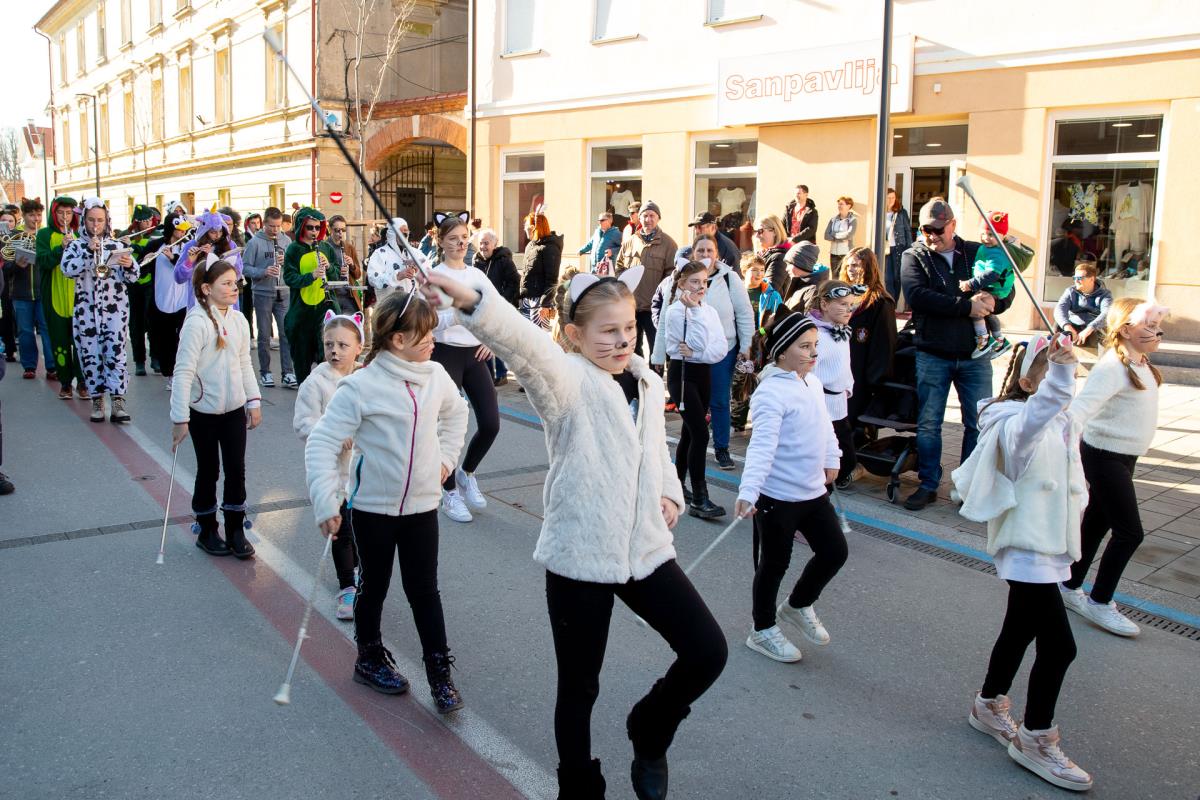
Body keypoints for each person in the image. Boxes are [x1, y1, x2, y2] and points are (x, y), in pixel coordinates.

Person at [424, 263, 727, 800]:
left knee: (707, 650)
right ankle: (580, 789)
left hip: (644, 551)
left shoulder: (645, 379)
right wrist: (473, 302)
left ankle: (650, 728)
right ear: (574, 335)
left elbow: (654, 448)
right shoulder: (565, 381)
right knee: (580, 687)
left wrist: (668, 493)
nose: (621, 340)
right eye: (607, 330)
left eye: (628, 327)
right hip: (581, 553)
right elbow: (525, 348)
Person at [305, 289, 469, 714]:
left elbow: (457, 414)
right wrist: (327, 501)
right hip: (373, 509)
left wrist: (447, 460)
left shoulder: (435, 375)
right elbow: (321, 441)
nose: (433, 340)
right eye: (424, 333)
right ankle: (369, 656)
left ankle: (439, 673)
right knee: (373, 585)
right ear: (398, 339)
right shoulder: (360, 386)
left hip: (422, 509)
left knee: (424, 591)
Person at [952, 335, 1092, 792]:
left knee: (1020, 628)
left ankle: (989, 704)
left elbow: (1070, 408)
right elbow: (1037, 417)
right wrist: (1061, 373)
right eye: (1047, 369)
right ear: (1029, 380)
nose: (1058, 378)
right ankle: (1035, 737)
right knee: (1061, 646)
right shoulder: (1013, 423)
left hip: (1051, 544)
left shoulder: (1061, 421)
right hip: (1025, 544)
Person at [736, 310, 846, 664]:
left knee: (835, 551)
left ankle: (798, 605)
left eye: (816, 346)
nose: (814, 353)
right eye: (805, 347)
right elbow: (762, 446)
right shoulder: (770, 393)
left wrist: (833, 457)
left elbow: (825, 426)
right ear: (781, 351)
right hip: (777, 498)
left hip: (813, 492)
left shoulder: (810, 382)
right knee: (773, 565)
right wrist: (749, 491)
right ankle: (762, 629)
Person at [1060, 298, 1167, 638]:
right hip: (1103, 456)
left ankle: (1069, 584)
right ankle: (1100, 601)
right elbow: (1079, 412)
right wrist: (1062, 454)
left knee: (1096, 523)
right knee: (1130, 532)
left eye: (1158, 325)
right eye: (1149, 326)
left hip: (1124, 456)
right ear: (1125, 329)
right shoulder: (1113, 367)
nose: (1157, 331)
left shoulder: (1142, 363)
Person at [900, 198, 1011, 511]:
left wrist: (994, 303)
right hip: (932, 352)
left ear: (952, 225)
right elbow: (917, 296)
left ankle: (969, 485)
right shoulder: (914, 255)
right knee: (929, 423)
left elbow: (1006, 285)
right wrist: (966, 307)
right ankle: (928, 483)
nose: (932, 235)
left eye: (938, 229)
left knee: (977, 423)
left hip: (975, 355)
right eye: (925, 230)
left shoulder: (976, 251)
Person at [170, 260, 263, 559]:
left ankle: (236, 529)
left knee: (237, 469)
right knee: (209, 470)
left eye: (235, 282)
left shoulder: (238, 321)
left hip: (234, 410)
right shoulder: (196, 323)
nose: (233, 287)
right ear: (207, 288)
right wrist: (180, 418)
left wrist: (254, 401)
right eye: (225, 283)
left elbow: (244, 363)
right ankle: (208, 528)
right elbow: (183, 372)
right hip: (204, 412)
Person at [430, 215, 501, 525]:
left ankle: (465, 473)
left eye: (464, 237)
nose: (461, 242)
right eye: (454, 238)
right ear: (441, 241)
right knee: (445, 427)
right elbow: (430, 322)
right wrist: (457, 315)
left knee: (491, 423)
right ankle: (448, 492)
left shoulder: (477, 274)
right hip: (445, 353)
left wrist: (491, 340)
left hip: (475, 356)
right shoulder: (434, 275)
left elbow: (494, 311)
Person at [294, 311, 365, 621]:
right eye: (329, 345)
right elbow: (303, 424)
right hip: (335, 474)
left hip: (364, 472)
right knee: (342, 529)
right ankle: (347, 586)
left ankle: (362, 573)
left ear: (359, 347)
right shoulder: (315, 383)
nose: (335, 351)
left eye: (343, 345)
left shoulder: (366, 378)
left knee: (364, 528)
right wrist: (334, 434)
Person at [655, 260, 730, 519]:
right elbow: (694, 343)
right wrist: (699, 341)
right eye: (695, 282)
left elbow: (719, 348)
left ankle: (674, 485)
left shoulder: (708, 311)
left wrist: (701, 352)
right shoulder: (677, 312)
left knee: (689, 433)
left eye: (704, 282)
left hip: (703, 375)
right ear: (682, 284)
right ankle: (700, 498)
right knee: (700, 434)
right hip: (682, 375)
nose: (701, 287)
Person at [59, 198, 138, 423]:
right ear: (84, 220)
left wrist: (129, 264)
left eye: (100, 220)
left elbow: (134, 277)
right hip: (86, 311)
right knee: (90, 354)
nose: (96, 225)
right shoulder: (75, 245)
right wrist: (86, 251)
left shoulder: (117, 245)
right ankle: (97, 399)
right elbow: (66, 269)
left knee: (116, 353)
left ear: (107, 221)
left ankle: (118, 401)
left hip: (115, 311)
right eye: (92, 220)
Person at [809, 280, 861, 488]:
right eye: (842, 304)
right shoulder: (817, 336)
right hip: (822, 409)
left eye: (850, 305)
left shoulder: (841, 331)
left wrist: (847, 387)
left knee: (845, 462)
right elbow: (808, 375)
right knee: (827, 465)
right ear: (824, 304)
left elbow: (843, 366)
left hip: (839, 406)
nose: (848, 309)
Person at [840, 248, 896, 434]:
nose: (851, 270)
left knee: (857, 429)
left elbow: (884, 345)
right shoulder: (842, 296)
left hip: (863, 376)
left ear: (868, 267)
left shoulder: (880, 302)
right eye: (848, 266)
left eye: (855, 265)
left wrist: (876, 381)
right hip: (841, 373)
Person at [284, 207, 343, 383]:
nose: (314, 232)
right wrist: (311, 276)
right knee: (302, 359)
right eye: (310, 227)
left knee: (330, 356)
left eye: (318, 228)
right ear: (302, 227)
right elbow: (289, 277)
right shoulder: (294, 249)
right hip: (302, 312)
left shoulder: (325, 247)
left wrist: (330, 268)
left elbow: (335, 275)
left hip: (326, 307)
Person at [962, 212, 1030, 359]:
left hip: (994, 288)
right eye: (984, 233)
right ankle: (999, 340)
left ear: (1002, 236)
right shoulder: (989, 248)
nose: (986, 238)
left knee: (976, 309)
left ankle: (983, 340)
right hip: (993, 287)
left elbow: (992, 274)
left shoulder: (997, 253)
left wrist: (971, 284)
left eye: (992, 235)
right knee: (988, 312)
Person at [37, 195, 85, 399]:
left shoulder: (82, 234)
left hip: (79, 296)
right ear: (53, 213)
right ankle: (65, 383)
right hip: (55, 295)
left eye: (68, 213)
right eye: (60, 212)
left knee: (82, 342)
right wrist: (60, 249)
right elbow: (43, 261)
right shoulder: (44, 234)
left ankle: (83, 382)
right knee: (60, 342)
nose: (64, 217)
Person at [242, 207, 296, 388]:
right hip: (263, 293)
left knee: (286, 334)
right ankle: (265, 372)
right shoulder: (255, 242)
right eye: (272, 226)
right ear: (264, 223)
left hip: (284, 291)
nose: (275, 230)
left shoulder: (286, 240)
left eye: (278, 226)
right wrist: (264, 271)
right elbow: (245, 268)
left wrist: (286, 262)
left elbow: (293, 266)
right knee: (264, 335)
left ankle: (288, 373)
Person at [617, 201, 677, 358]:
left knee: (655, 349)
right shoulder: (630, 242)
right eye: (645, 215)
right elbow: (620, 267)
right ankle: (636, 380)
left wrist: (661, 297)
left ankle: (654, 380)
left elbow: (672, 274)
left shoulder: (668, 244)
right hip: (631, 307)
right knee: (632, 349)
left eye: (652, 216)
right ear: (639, 218)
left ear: (658, 218)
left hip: (653, 308)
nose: (648, 219)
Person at [9, 198, 54, 379]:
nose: (36, 218)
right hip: (21, 292)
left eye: (38, 215)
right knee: (25, 331)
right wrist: (16, 264)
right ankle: (29, 366)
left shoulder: (45, 234)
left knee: (47, 329)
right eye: (31, 215)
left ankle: (52, 366)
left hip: (43, 290)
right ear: (24, 216)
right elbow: (5, 266)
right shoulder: (14, 236)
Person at [149, 216, 194, 388]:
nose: (183, 232)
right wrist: (149, 257)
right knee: (165, 340)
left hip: (183, 301)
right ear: (170, 229)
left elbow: (189, 267)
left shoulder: (188, 246)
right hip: (161, 299)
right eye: (179, 229)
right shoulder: (156, 245)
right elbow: (141, 266)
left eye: (184, 229)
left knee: (183, 339)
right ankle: (170, 374)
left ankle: (184, 374)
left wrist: (173, 258)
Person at [474, 228, 519, 386]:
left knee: (498, 341)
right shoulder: (476, 260)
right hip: (482, 308)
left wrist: (501, 301)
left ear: (495, 244)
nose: (483, 247)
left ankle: (501, 374)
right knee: (483, 339)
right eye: (481, 243)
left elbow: (514, 282)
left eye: (486, 243)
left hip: (500, 307)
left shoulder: (504, 260)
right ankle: (487, 375)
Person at [175, 208, 244, 311]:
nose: (217, 235)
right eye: (213, 232)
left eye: (220, 231)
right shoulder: (191, 246)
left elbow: (237, 274)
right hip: (200, 301)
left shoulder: (230, 245)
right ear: (204, 231)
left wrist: (214, 258)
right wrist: (190, 262)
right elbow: (179, 278)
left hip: (226, 301)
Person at [123, 204, 160, 376]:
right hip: (133, 284)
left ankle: (155, 357)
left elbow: (153, 251)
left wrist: (137, 247)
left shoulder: (157, 235)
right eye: (143, 221)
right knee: (136, 323)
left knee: (152, 320)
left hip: (151, 282)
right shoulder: (127, 235)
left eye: (148, 221)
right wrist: (126, 244)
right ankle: (139, 361)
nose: (146, 224)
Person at [518, 208, 563, 330]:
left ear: (534, 227)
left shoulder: (550, 248)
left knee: (541, 339)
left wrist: (545, 304)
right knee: (527, 337)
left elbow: (552, 279)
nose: (524, 229)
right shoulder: (530, 245)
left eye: (526, 226)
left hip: (540, 302)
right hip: (527, 300)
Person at [1054, 260, 1112, 348]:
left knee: (1100, 332)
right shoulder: (1070, 291)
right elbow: (1060, 309)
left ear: (1091, 279)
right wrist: (1067, 327)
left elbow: (1106, 313)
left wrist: (1090, 328)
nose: (1076, 281)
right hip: (1074, 324)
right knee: (1058, 326)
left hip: (1093, 327)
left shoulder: (1105, 295)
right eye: (1074, 278)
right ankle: (1057, 355)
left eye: (1080, 278)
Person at [366, 218, 420, 309]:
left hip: (410, 309)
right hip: (388, 310)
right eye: (402, 233)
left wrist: (418, 272)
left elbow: (428, 276)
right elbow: (373, 279)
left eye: (406, 233)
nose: (405, 236)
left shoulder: (414, 253)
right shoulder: (380, 254)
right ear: (392, 234)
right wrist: (397, 276)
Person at [325, 215, 365, 314]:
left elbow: (358, 275)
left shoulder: (349, 247)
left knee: (350, 327)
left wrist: (352, 265)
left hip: (348, 296)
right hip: (332, 296)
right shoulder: (324, 247)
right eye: (337, 230)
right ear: (330, 229)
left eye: (343, 230)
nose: (340, 233)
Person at [675, 211, 741, 269]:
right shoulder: (699, 243)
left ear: (713, 228)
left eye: (700, 227)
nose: (697, 231)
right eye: (695, 227)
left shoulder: (727, 249)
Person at [884, 188, 914, 303]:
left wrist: (910, 249)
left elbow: (907, 230)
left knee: (897, 278)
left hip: (899, 248)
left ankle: (894, 303)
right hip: (885, 249)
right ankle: (890, 304)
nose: (891, 200)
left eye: (893, 197)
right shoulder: (880, 212)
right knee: (887, 279)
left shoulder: (901, 212)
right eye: (888, 197)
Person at [781, 241, 827, 311]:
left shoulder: (813, 291)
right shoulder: (799, 284)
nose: (786, 269)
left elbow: (808, 319)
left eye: (789, 264)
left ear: (802, 264)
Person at [755, 214, 789, 296]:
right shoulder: (762, 254)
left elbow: (768, 292)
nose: (756, 235)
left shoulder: (780, 258)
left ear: (774, 232)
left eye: (760, 231)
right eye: (756, 232)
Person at [823, 196, 858, 273]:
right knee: (834, 276)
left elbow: (849, 235)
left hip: (846, 253)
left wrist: (834, 235)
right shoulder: (833, 219)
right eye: (838, 204)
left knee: (845, 276)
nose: (839, 206)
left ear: (848, 206)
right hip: (833, 253)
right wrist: (840, 237)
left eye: (842, 204)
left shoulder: (852, 220)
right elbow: (826, 235)